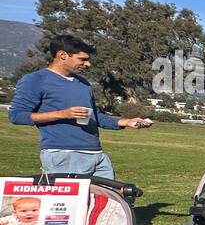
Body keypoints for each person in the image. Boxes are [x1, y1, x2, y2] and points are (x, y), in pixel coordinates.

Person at [8, 34, 152, 179]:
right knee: (71, 202)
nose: (88, 64)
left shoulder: (83, 83)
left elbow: (94, 116)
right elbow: (16, 115)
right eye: (83, 59)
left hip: (96, 154)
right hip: (63, 155)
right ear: (62, 55)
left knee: (107, 200)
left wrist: (125, 122)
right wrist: (62, 114)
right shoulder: (35, 80)